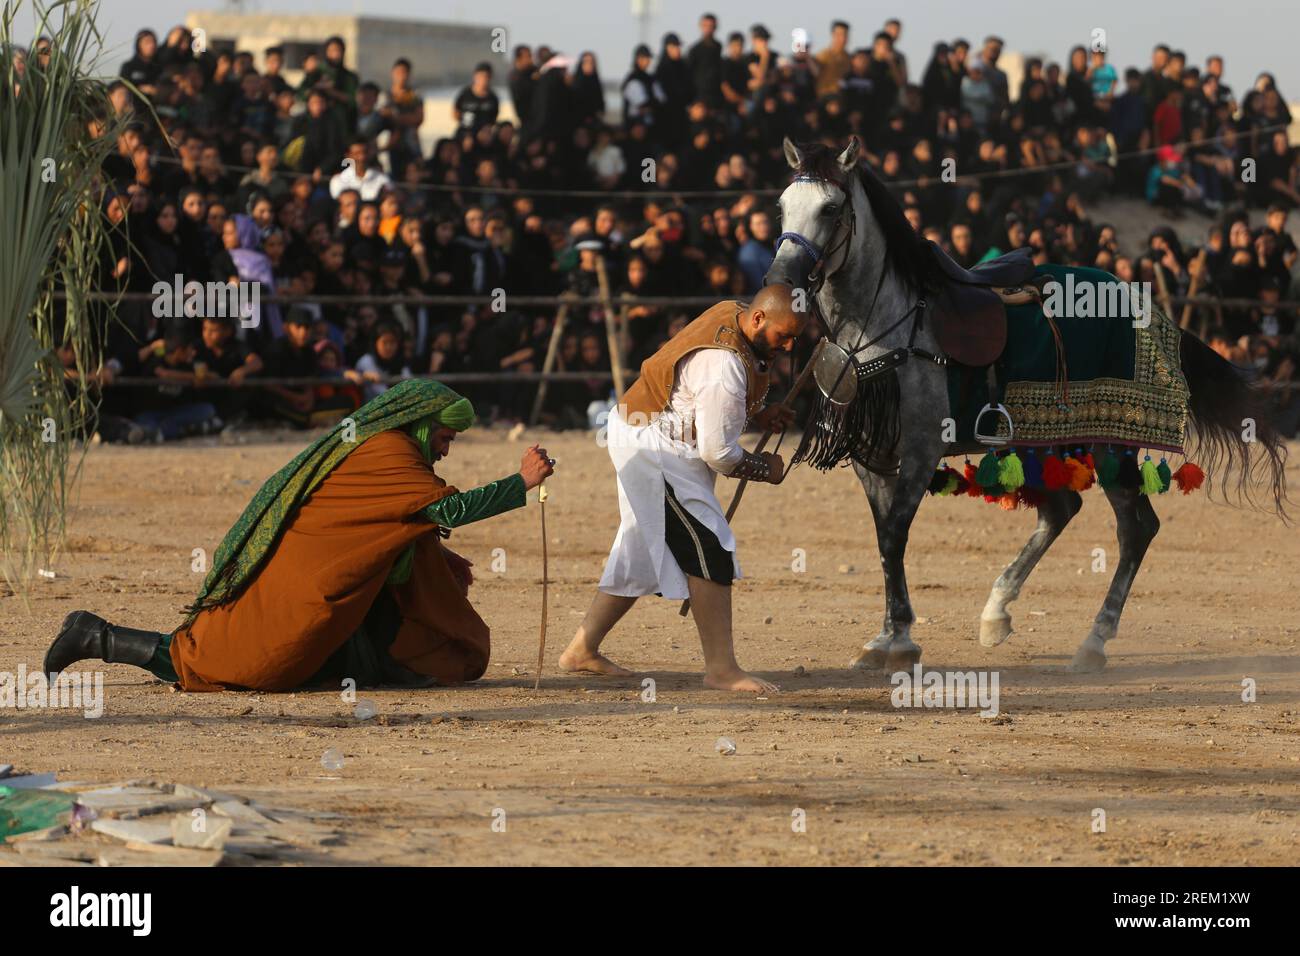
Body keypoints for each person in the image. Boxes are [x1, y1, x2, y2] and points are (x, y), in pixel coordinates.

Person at [45, 381, 556, 691]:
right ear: (422, 425)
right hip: (301, 585)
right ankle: (98, 636)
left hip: (336, 585)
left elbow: (391, 521)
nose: (444, 451)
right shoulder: (389, 453)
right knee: (236, 661)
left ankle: (382, 667)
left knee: (330, 659)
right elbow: (449, 507)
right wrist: (522, 483)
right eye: (444, 438)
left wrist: (432, 554)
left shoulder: (386, 450)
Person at [559, 285, 806, 693]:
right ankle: (722, 670)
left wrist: (757, 413)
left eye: (796, 336)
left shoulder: (733, 313)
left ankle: (581, 650)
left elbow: (696, 394)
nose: (790, 344)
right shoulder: (723, 364)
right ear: (758, 319)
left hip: (647, 431)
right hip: (653, 446)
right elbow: (719, 453)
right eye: (785, 335)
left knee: (639, 547)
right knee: (708, 542)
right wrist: (765, 468)